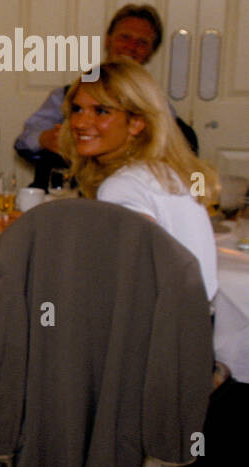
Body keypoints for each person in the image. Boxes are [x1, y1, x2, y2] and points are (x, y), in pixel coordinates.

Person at [61, 58, 218, 301]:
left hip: (160, 329)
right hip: (194, 321)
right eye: (77, 109)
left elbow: (121, 283)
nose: (80, 123)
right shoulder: (165, 172)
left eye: (101, 111)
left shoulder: (123, 187)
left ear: (136, 122)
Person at [16, 3, 197, 186]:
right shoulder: (69, 93)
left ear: (151, 52)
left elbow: (176, 151)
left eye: (142, 42)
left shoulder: (155, 104)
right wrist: (44, 139)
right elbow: (23, 141)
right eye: (125, 37)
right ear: (108, 40)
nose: (131, 46)